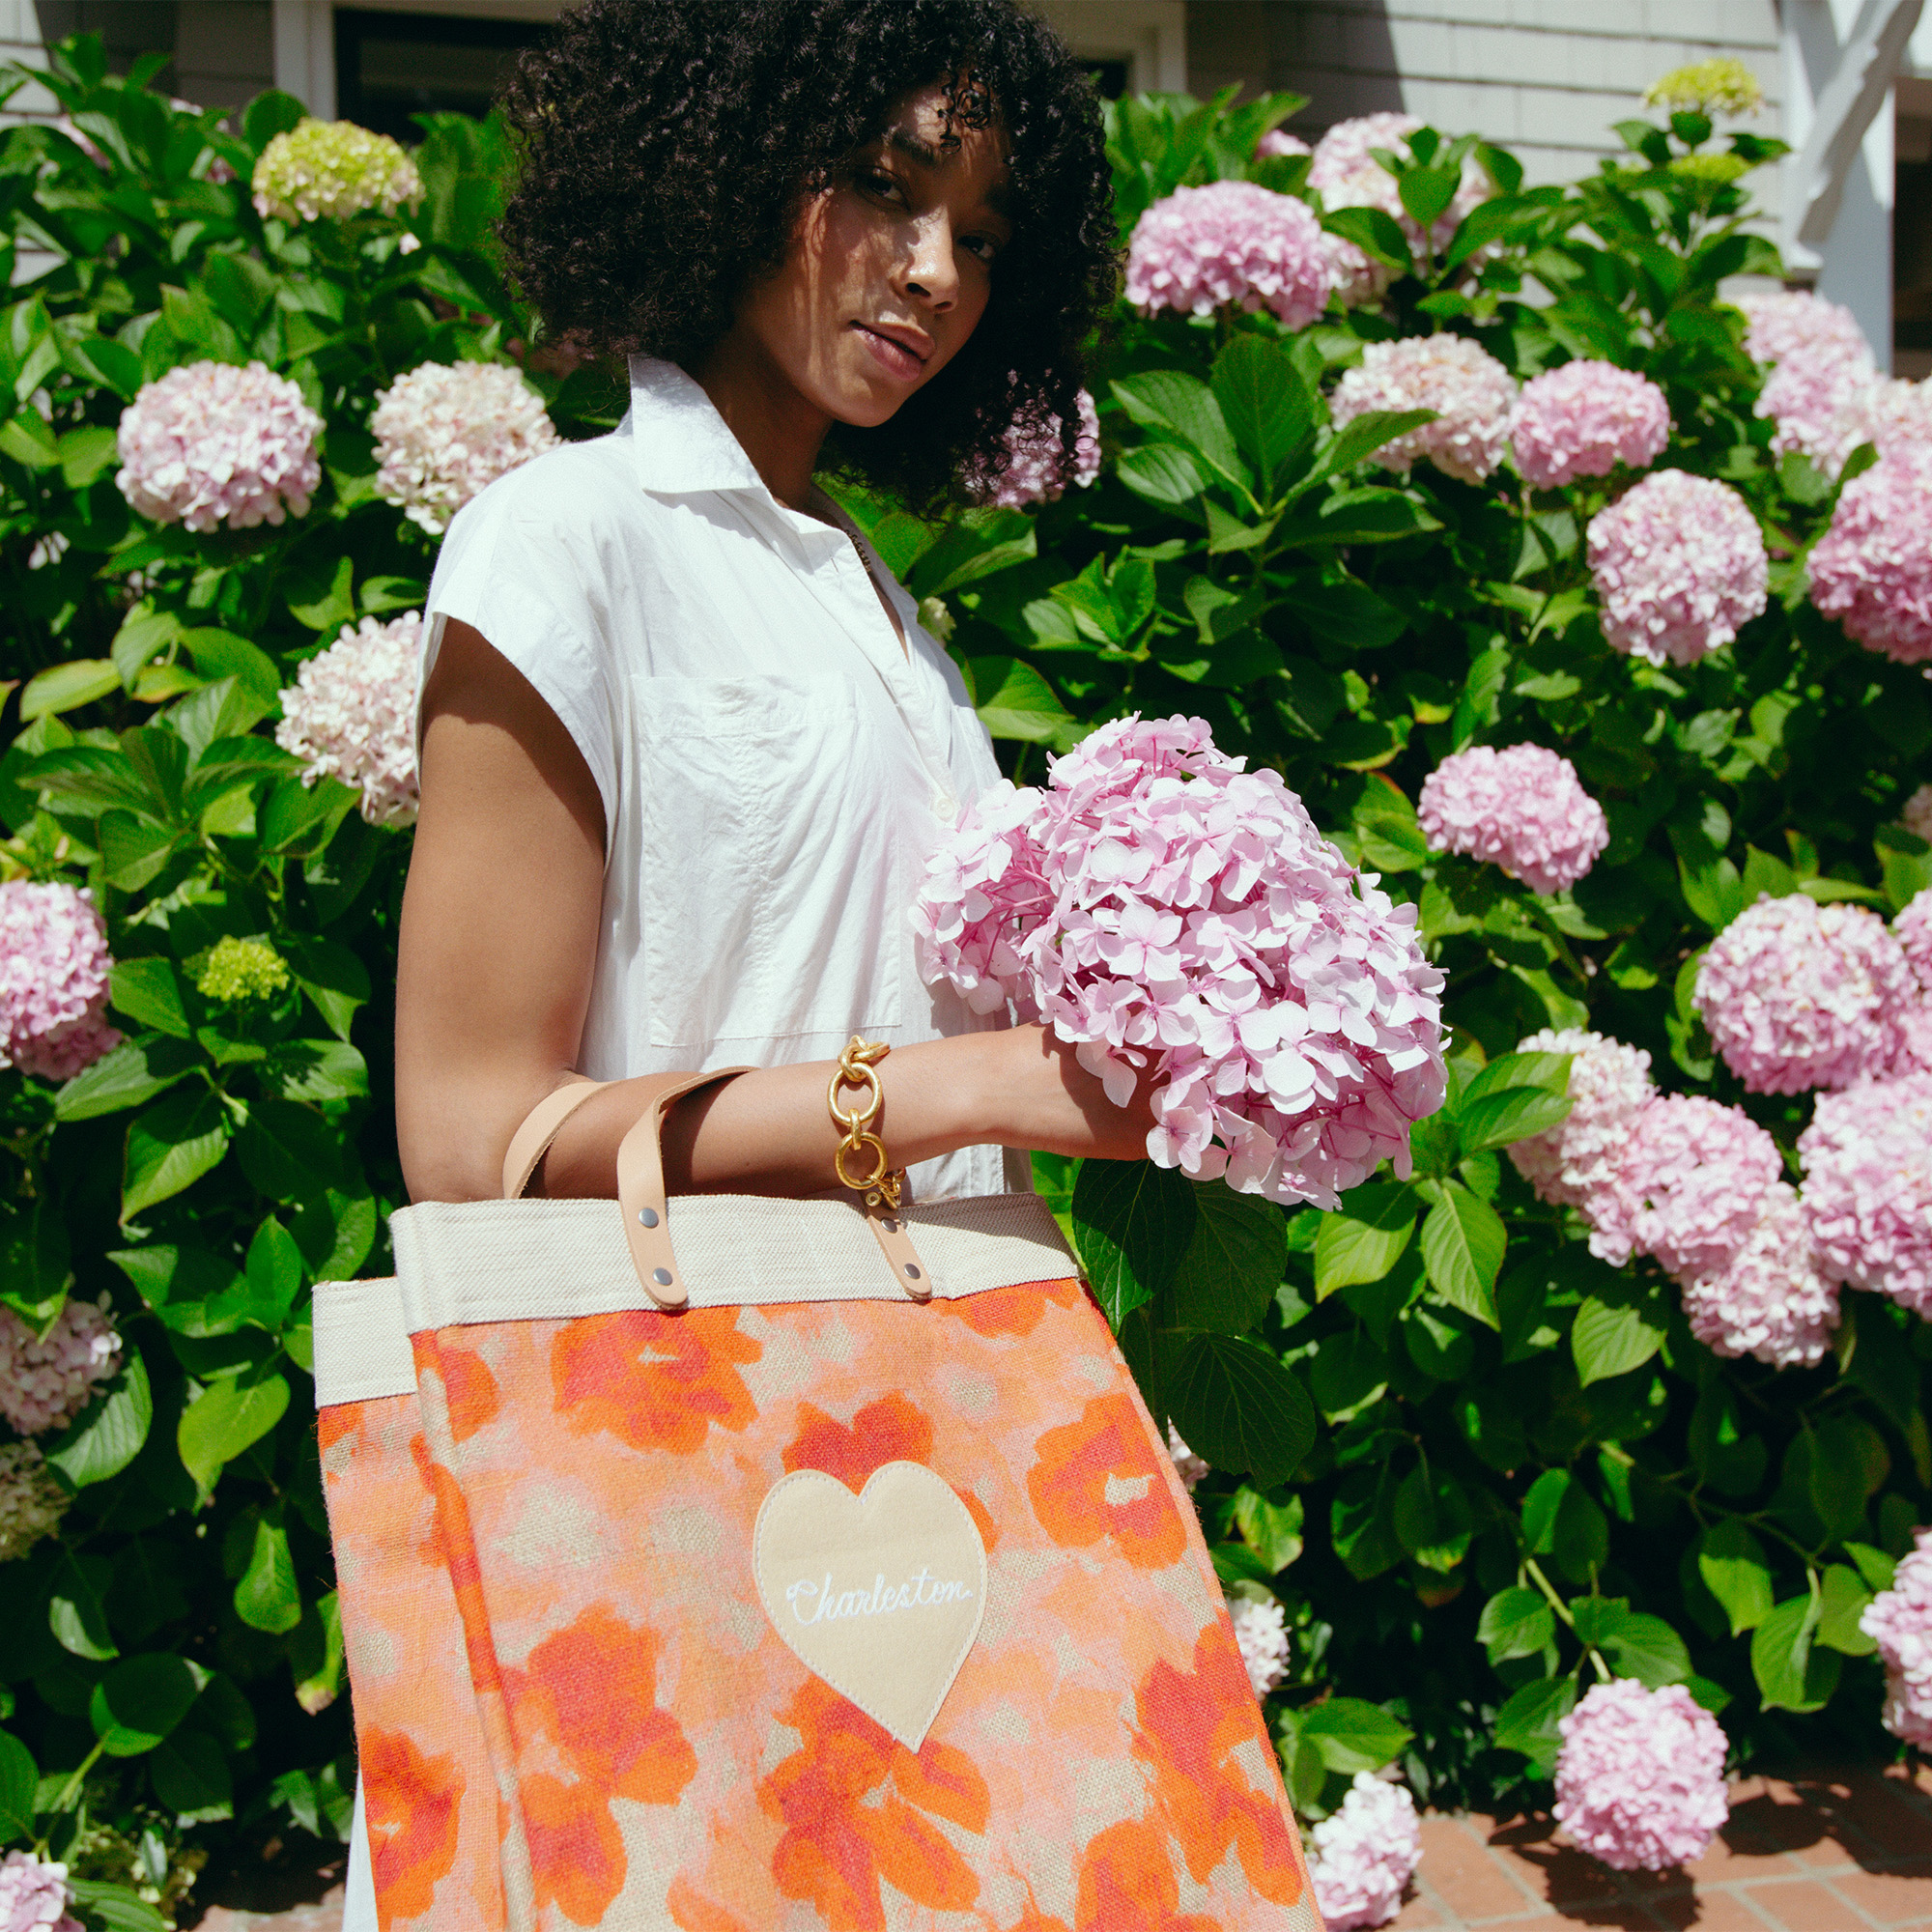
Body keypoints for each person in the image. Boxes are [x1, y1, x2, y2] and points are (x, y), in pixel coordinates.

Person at [339, 1, 1318, 1922]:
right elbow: (470, 1136)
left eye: (979, 228)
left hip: (918, 1432)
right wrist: (963, 1093)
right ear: (721, 160)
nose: (935, 271)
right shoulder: (566, 542)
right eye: (880, 186)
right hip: (657, 1447)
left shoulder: (882, 604)